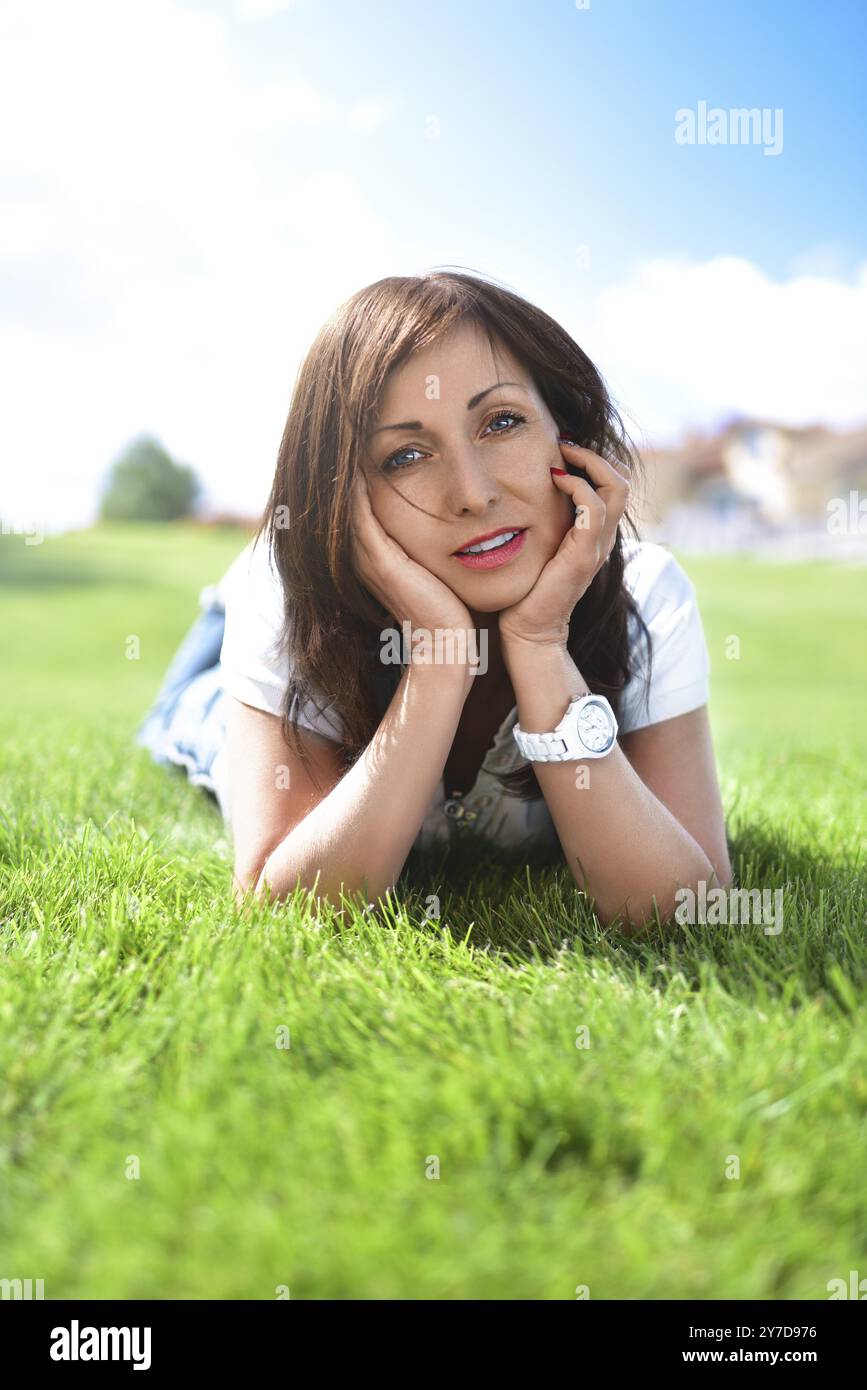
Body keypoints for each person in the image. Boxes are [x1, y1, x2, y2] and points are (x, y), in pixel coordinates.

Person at [137, 269, 732, 930]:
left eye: (500, 422)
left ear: (568, 434)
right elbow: (285, 906)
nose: (472, 494)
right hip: (232, 670)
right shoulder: (283, 591)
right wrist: (439, 660)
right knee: (189, 719)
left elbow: (683, 908)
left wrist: (538, 643)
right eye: (406, 456)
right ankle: (208, 642)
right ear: (344, 496)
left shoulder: (644, 595)